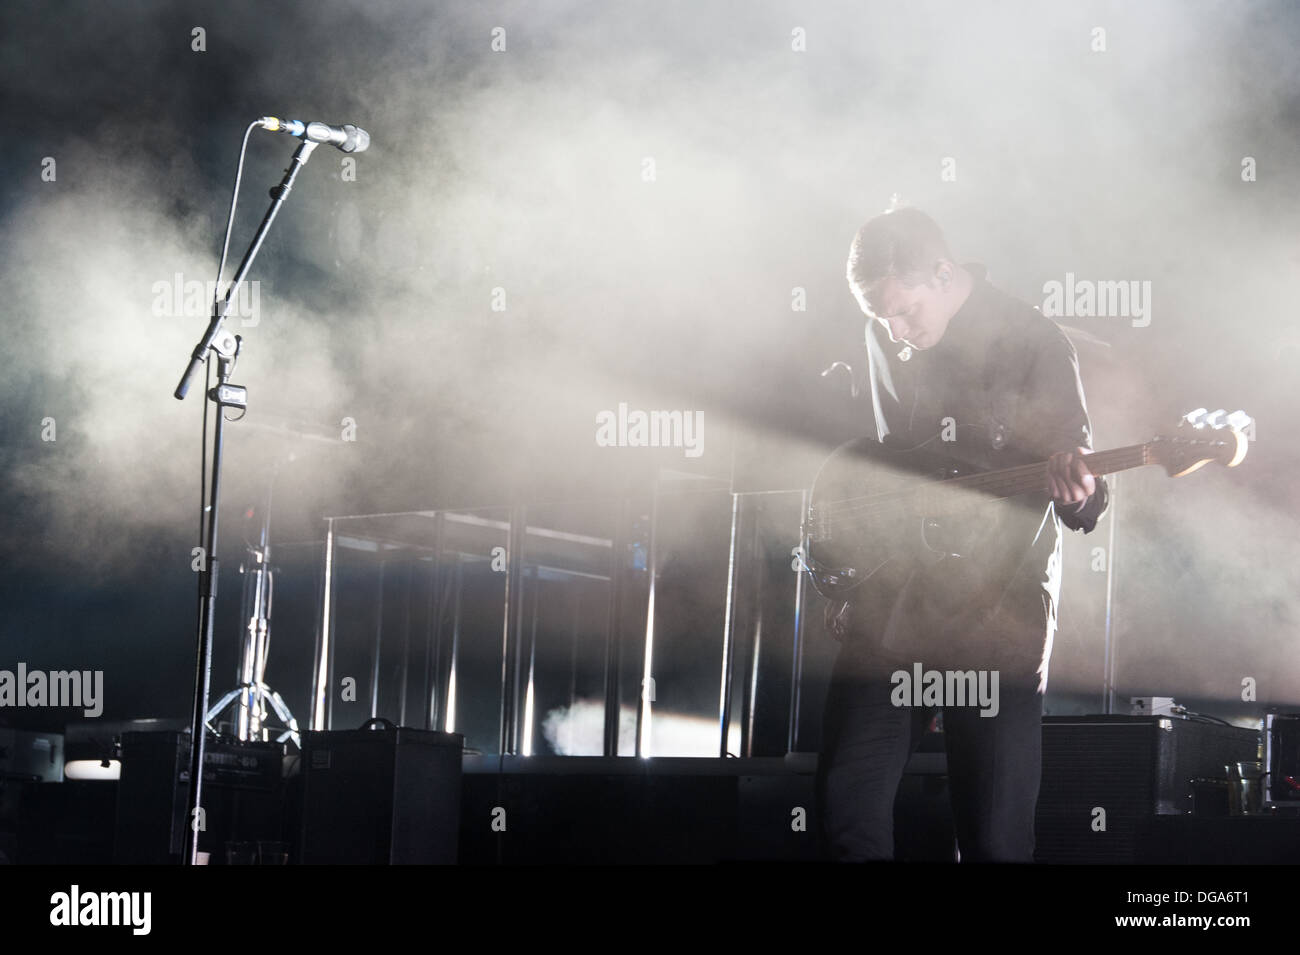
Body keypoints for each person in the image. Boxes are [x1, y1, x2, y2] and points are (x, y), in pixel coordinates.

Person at [815, 206, 1108, 862]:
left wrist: (1083, 493)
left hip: (995, 617)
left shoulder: (1034, 339)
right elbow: (893, 461)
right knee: (846, 810)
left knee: (996, 840)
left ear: (942, 273)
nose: (892, 330)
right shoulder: (886, 335)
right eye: (878, 316)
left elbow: (1078, 472)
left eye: (903, 310)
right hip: (892, 609)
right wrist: (853, 566)